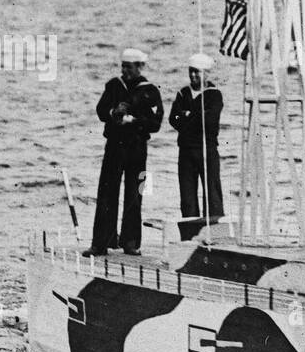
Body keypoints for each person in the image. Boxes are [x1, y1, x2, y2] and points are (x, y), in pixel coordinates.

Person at [83, 47, 164, 257]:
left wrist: (134, 121)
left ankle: (131, 242)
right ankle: (101, 242)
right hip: (115, 145)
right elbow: (101, 110)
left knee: (135, 193)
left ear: (139, 67)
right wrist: (113, 113)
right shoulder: (113, 86)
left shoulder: (149, 91)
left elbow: (155, 123)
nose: (125, 71)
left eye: (129, 67)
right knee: (107, 192)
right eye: (123, 67)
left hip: (137, 147)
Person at [169, 52, 224, 228]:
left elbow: (209, 121)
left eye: (197, 72)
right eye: (191, 71)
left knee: (212, 192)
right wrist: (193, 117)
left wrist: (187, 116)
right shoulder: (183, 93)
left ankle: (215, 231)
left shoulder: (214, 95)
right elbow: (173, 118)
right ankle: (191, 232)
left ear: (206, 73)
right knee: (187, 194)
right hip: (185, 150)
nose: (193, 75)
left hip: (206, 149)